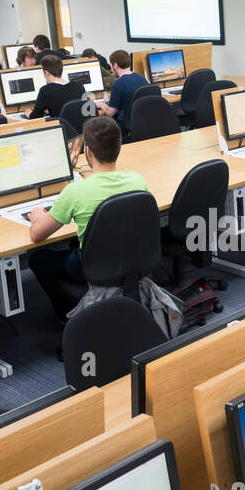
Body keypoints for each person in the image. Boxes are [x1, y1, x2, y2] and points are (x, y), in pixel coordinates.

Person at [27, 115, 149, 321]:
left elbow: (37, 236)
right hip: (132, 259)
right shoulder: (138, 181)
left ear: (87, 151)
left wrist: (38, 217)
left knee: (39, 258)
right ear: (119, 148)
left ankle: (71, 317)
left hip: (92, 266)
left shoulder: (75, 191)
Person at [96, 49, 150, 137]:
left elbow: (111, 112)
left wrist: (101, 105)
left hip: (124, 126)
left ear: (115, 65)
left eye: (111, 66)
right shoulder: (141, 78)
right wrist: (112, 100)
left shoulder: (119, 83)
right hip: (142, 122)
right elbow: (132, 97)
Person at [29, 54, 85, 120]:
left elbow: (36, 117)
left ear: (46, 73)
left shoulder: (46, 90)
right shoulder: (79, 85)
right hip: (81, 128)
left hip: (62, 129)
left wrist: (29, 114)